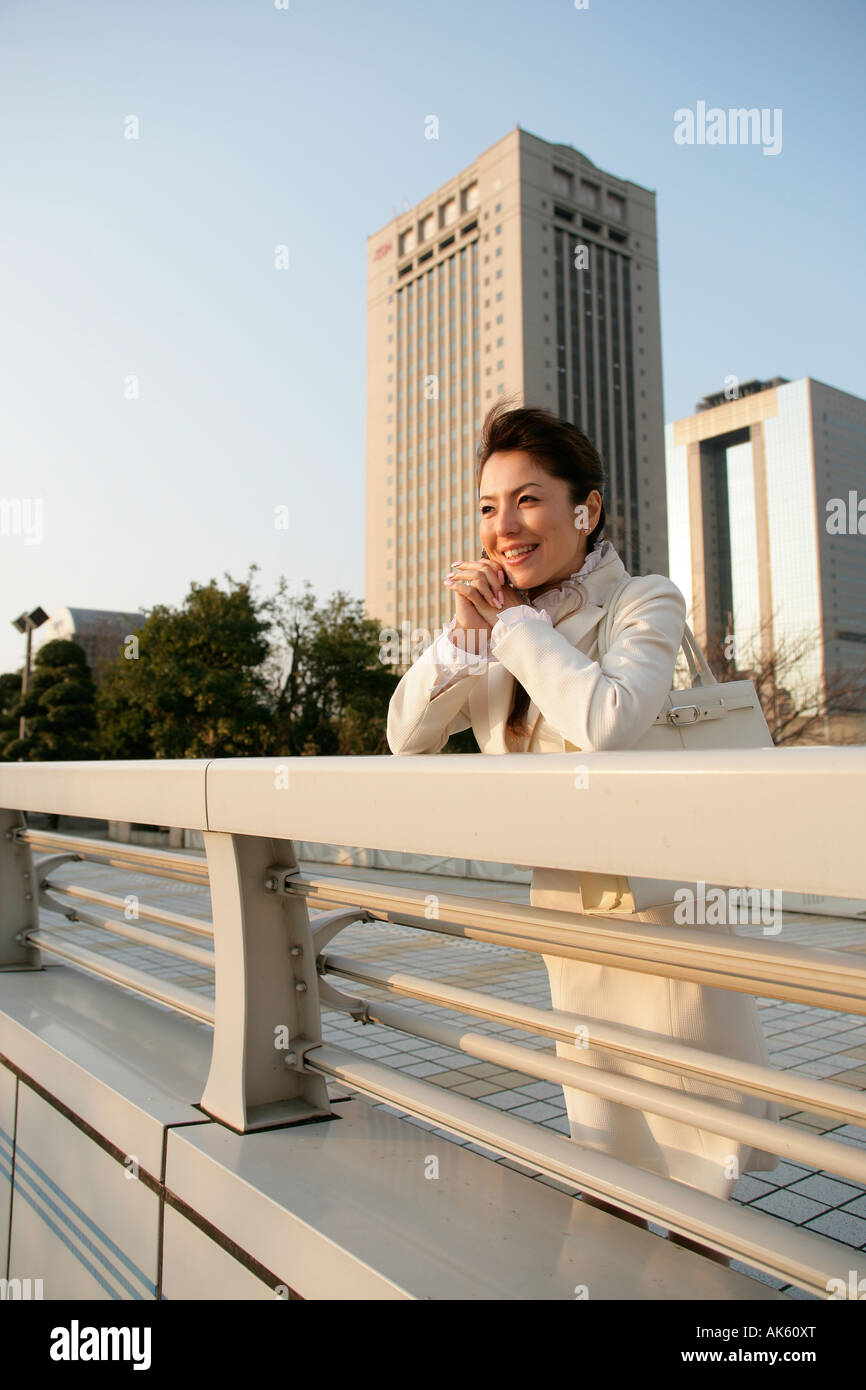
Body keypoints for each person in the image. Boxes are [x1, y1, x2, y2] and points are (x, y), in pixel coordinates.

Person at [386, 401, 779, 1267]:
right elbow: (403, 735)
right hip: (569, 918)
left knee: (695, 1163)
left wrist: (515, 628)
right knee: (603, 1155)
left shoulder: (643, 600)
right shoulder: (493, 629)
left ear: (586, 509)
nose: (504, 527)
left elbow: (608, 718)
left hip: (666, 915)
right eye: (488, 507)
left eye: (528, 500)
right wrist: (464, 640)